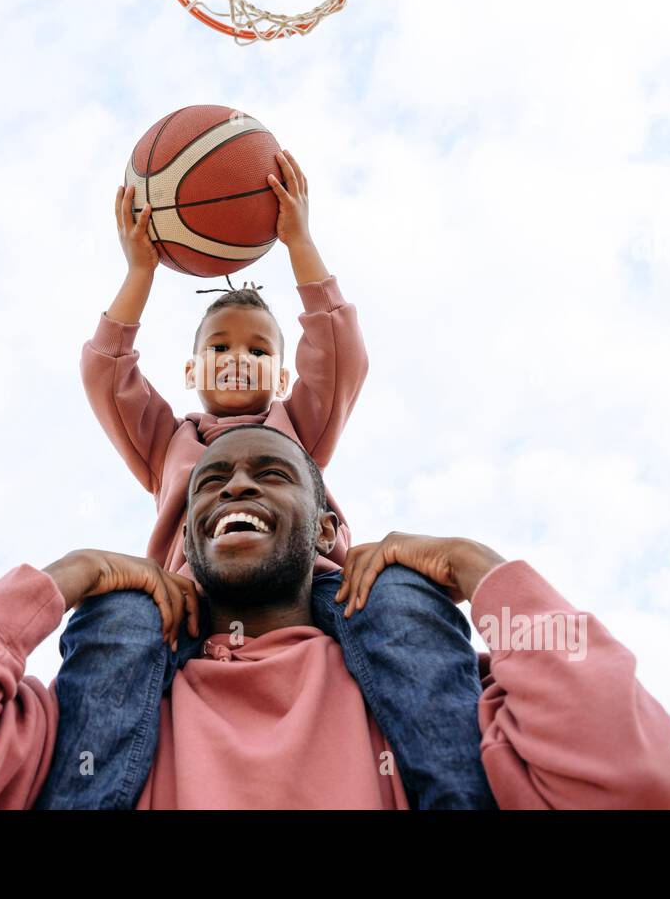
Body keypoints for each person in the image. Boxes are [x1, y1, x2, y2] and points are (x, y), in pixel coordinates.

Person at [0, 425, 670, 810]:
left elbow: (634, 784)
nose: (236, 483)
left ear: (324, 528)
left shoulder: (441, 710)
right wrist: (62, 580)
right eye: (211, 480)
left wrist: (484, 571)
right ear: (184, 536)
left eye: (270, 473)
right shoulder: (86, 724)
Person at [47, 148, 490, 808]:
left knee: (399, 606)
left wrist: (299, 244)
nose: (237, 359)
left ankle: (457, 792)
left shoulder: (296, 425)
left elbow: (339, 351)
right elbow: (107, 373)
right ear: (193, 372)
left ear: (280, 376)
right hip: (192, 601)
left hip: (316, 591)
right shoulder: (171, 441)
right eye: (219, 348)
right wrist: (140, 271)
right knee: (122, 627)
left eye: (258, 350)